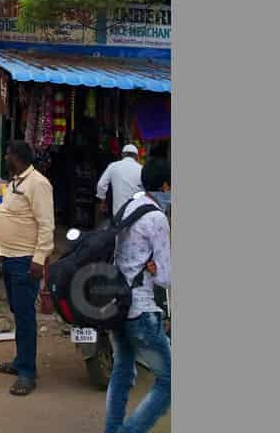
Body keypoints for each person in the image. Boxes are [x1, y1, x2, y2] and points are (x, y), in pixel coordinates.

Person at [103, 159, 171, 433]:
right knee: (170, 381)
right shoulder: (156, 217)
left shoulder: (130, 205)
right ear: (166, 185)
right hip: (141, 310)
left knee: (122, 371)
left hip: (118, 304)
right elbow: (166, 278)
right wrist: (155, 267)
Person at [0, 140, 55, 397]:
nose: (5, 156)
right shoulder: (17, 181)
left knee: (26, 316)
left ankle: (27, 372)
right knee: (18, 311)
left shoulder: (38, 183)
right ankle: (20, 362)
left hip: (25, 260)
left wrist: (39, 259)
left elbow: (47, 225)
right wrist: (0, 248)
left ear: (16, 157)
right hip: (9, 256)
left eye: (7, 153)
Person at [96, 144, 144, 225]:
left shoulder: (113, 166)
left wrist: (102, 200)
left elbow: (101, 185)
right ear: (136, 156)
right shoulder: (141, 169)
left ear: (122, 155)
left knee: (118, 236)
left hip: (118, 214)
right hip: (135, 214)